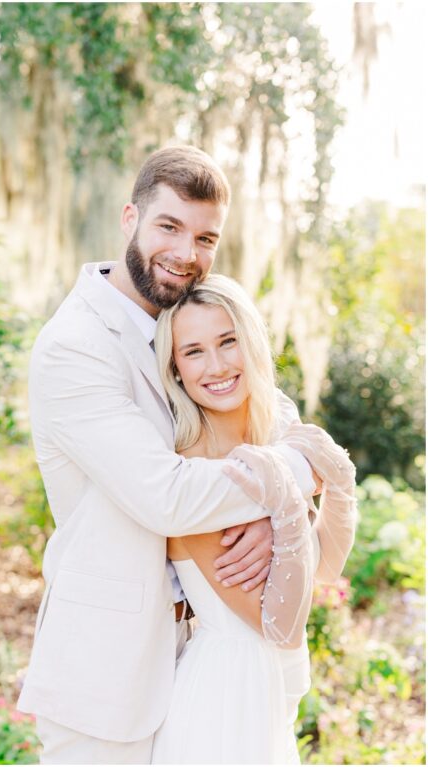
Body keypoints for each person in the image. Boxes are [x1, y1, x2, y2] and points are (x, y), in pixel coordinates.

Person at [17, 145, 318, 763]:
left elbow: (275, 417)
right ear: (130, 218)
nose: (186, 253)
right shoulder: (74, 346)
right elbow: (169, 497)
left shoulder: (188, 322)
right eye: (169, 227)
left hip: (206, 656)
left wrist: (280, 501)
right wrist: (286, 485)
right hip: (108, 673)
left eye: (205, 238)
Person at [149, 275, 356, 763]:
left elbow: (325, 568)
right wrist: (285, 508)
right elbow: (280, 627)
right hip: (227, 695)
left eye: (228, 341)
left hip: (271, 696)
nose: (217, 366)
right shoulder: (193, 476)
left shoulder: (270, 441)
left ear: (252, 342)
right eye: (194, 351)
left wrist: (340, 481)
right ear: (175, 368)